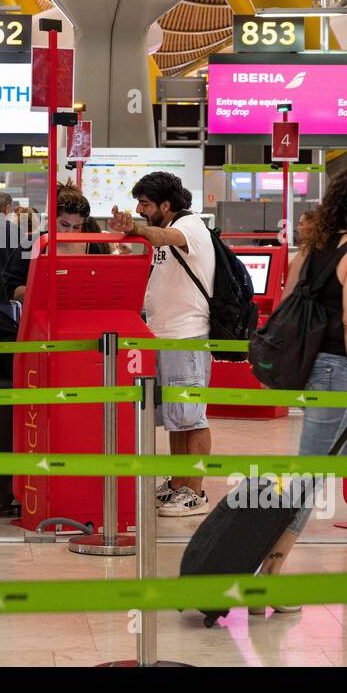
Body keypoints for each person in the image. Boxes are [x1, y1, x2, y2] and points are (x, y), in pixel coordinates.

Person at [259, 168, 347, 613]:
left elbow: (287, 300)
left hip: (315, 369)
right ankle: (269, 572)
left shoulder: (314, 248)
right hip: (337, 374)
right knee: (308, 476)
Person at [109, 172, 216, 517]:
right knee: (175, 418)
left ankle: (195, 492)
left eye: (145, 204)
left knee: (193, 418)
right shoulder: (160, 237)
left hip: (187, 335)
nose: (139, 210)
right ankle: (177, 484)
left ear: (165, 205)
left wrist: (137, 230)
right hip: (164, 336)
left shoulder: (190, 226)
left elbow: (164, 235)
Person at [5, 182, 109, 301]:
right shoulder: (32, 244)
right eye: (64, 224)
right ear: (51, 219)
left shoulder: (92, 247)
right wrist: (48, 289)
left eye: (76, 227)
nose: (70, 232)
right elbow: (11, 290)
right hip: (40, 315)